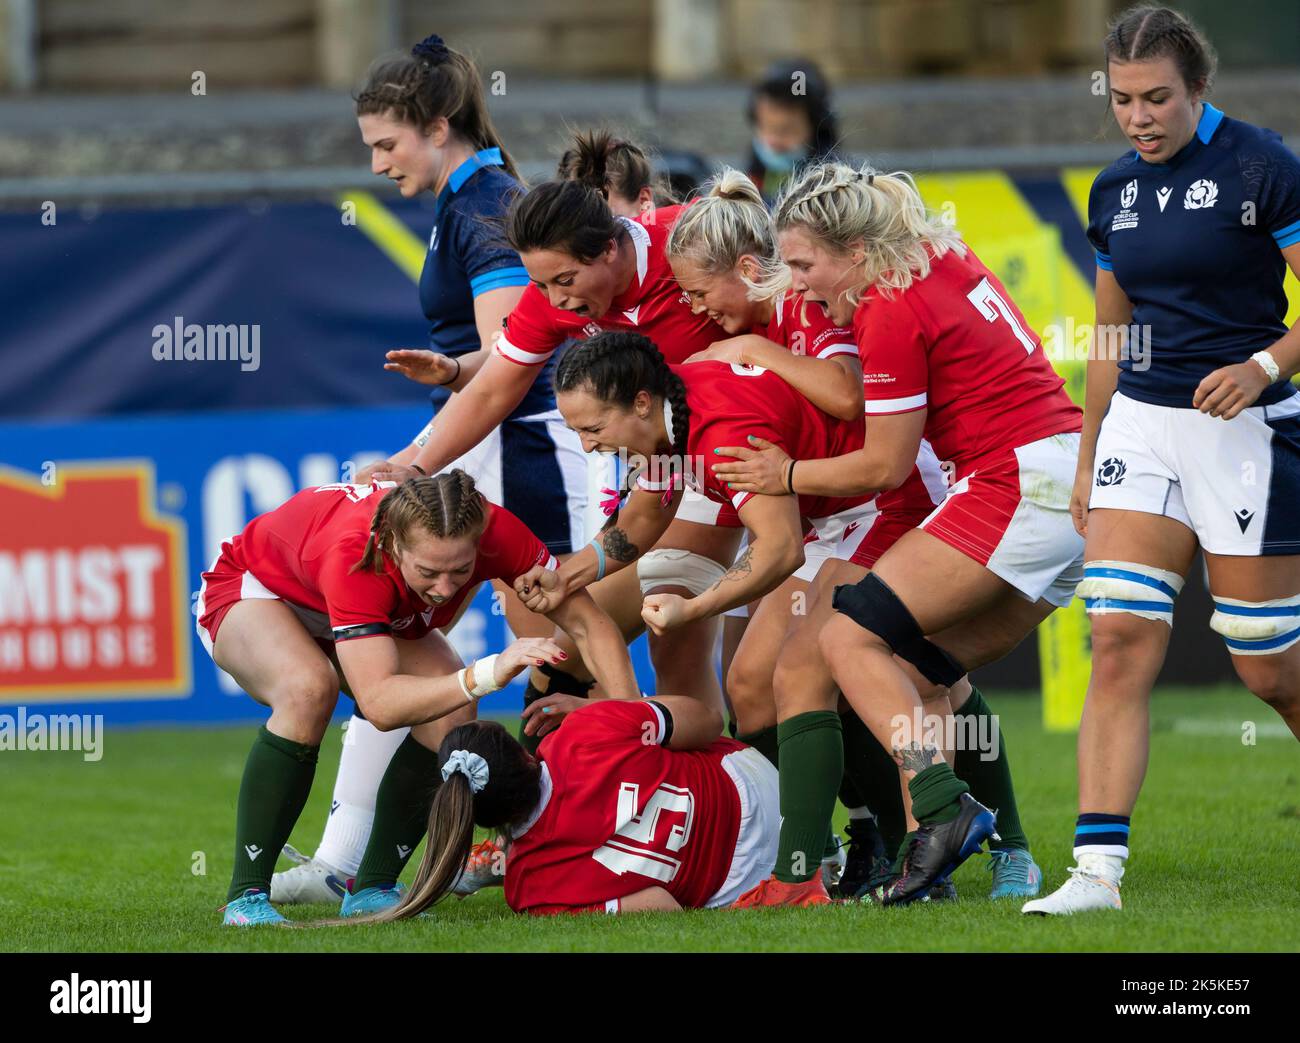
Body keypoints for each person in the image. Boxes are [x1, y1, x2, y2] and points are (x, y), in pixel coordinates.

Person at [712, 161, 1082, 904]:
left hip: (1015, 485)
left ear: (854, 249)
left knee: (848, 638)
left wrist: (782, 475)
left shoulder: (886, 306)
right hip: (1057, 486)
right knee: (912, 671)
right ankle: (953, 842)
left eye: (808, 265)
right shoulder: (934, 251)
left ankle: (942, 810)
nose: (802, 285)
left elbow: (882, 465)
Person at [275, 33, 589, 904]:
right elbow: (494, 357)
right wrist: (452, 373)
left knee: (553, 653)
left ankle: (550, 834)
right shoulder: (470, 200)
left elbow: (510, 364)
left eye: (386, 144)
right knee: (416, 658)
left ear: (437, 124)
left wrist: (424, 444)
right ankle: (350, 859)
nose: (377, 164)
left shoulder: (485, 206)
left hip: (526, 452)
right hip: (502, 443)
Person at [1023, 5, 1300, 916]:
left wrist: (1263, 366)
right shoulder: (1114, 191)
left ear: (1200, 90)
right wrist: (1092, 443)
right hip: (1143, 427)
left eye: (1158, 99)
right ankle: (1096, 874)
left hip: (1246, 428)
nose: (1139, 117)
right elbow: (1113, 329)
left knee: (1267, 665)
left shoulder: (1265, 165)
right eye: (1124, 100)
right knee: (1117, 639)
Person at [664, 167, 950, 896]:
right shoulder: (755, 317)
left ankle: (835, 859)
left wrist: (758, 355)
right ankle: (849, 836)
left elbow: (850, 395)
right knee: (752, 688)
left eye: (701, 292)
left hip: (881, 502)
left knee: (912, 677)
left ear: (752, 270)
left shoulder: (796, 307)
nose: (696, 309)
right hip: (829, 513)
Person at [370, 178, 745, 724]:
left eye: (565, 279)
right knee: (575, 653)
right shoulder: (555, 300)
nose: (556, 302)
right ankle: (636, 792)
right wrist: (414, 463)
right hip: (687, 478)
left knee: (759, 681)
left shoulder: (687, 246)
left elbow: (782, 300)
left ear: (612, 246)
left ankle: (785, 801)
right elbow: (494, 388)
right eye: (541, 284)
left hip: (773, 470)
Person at [198, 472, 637, 925]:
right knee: (308, 690)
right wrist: (487, 672)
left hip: (356, 604)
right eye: (428, 572)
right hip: (258, 588)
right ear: (392, 542)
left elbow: (588, 622)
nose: (446, 589)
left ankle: (374, 887)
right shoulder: (355, 554)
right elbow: (381, 706)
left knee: (452, 710)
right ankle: (246, 897)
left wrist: (637, 725)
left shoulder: (498, 531)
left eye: (460, 571)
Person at [349, 697, 778, 919]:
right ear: (526, 754)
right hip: (760, 784)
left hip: (746, 882)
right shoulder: (583, 731)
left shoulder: (531, 890)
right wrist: (608, 709)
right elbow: (707, 718)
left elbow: (660, 903)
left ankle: (493, 864)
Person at [746, 58, 842, 204]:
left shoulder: (835, 187)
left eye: (787, 130)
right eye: (764, 127)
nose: (773, 140)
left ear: (816, 127)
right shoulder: (752, 176)